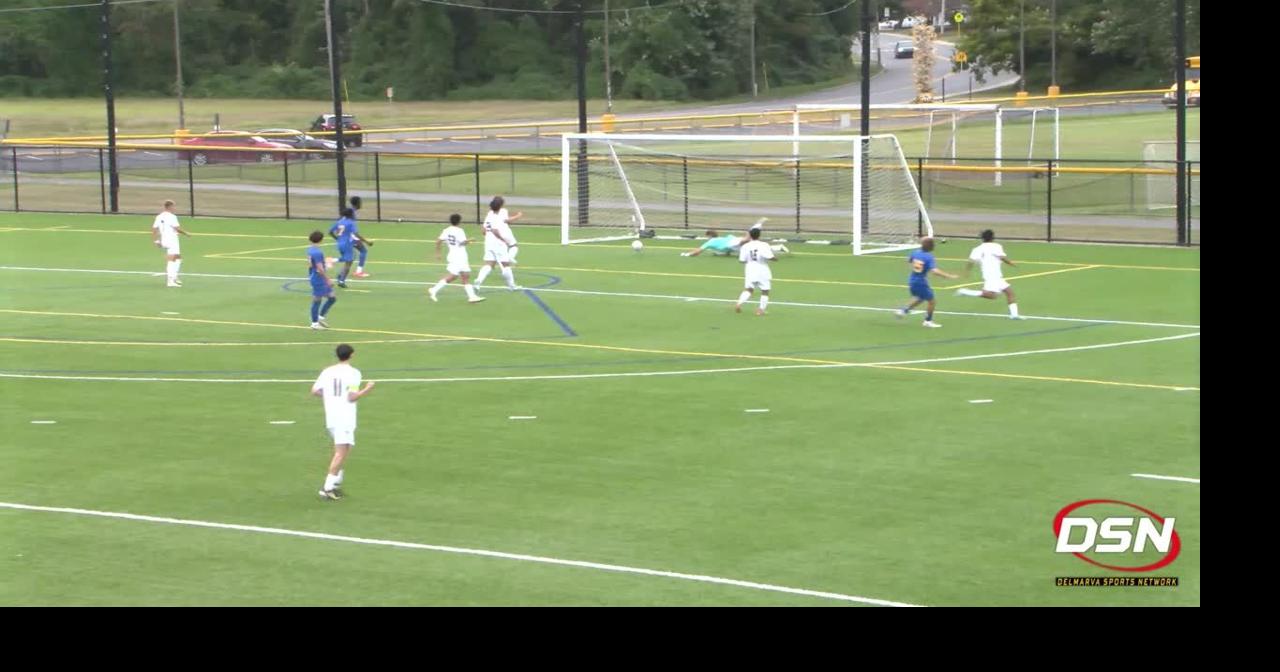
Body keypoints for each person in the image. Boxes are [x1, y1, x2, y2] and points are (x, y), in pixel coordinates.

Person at [310, 344, 376, 501]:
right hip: (344, 416)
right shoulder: (354, 373)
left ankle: (335, 484)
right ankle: (327, 488)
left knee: (345, 449)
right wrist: (367, 389)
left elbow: (315, 391)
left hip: (332, 415)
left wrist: (330, 397)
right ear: (351, 355)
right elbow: (351, 397)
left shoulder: (328, 371)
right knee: (341, 452)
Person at [954, 229, 1023, 319]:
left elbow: (971, 261)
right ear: (992, 237)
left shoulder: (977, 249)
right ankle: (965, 292)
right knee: (992, 296)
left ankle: (1014, 315)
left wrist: (967, 272)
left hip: (992, 275)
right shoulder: (996, 246)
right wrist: (1011, 263)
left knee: (1009, 292)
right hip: (993, 276)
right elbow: (1002, 257)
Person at [897, 236, 958, 328]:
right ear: (930, 246)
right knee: (932, 301)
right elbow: (935, 271)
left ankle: (903, 311)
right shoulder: (928, 257)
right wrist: (948, 276)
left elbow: (909, 261)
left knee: (920, 298)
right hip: (920, 282)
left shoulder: (915, 252)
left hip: (912, 279)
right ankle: (928, 321)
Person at [428, 213, 486, 304]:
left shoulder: (446, 230)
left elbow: (438, 241)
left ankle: (472, 297)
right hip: (459, 256)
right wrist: (470, 240)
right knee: (455, 276)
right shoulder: (459, 231)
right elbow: (462, 243)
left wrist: (438, 253)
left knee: (465, 276)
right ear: (459, 221)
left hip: (454, 255)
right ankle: (434, 290)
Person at [151, 200, 191, 287]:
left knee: (178, 258)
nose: (175, 208)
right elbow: (177, 228)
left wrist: (156, 240)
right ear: (169, 207)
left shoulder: (159, 216)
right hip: (172, 240)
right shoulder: (172, 217)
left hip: (164, 240)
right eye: (174, 206)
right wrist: (186, 233)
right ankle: (170, 281)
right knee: (172, 260)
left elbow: (154, 229)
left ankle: (174, 277)